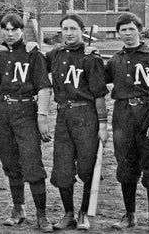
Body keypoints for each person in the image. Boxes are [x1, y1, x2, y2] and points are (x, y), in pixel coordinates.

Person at [104, 12, 149, 234]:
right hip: (123, 116)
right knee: (125, 166)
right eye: (123, 30)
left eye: (131, 29)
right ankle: (129, 215)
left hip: (148, 113)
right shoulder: (115, 60)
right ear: (119, 33)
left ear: (139, 30)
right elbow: (99, 79)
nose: (127, 33)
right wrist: (91, 57)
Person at [46, 13, 108, 231]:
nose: (69, 33)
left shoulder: (91, 57)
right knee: (62, 167)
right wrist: (32, 46)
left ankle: (83, 212)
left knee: (87, 166)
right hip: (63, 116)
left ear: (82, 30)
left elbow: (99, 94)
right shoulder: (55, 54)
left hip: (86, 116)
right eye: (65, 29)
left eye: (73, 29)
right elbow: (34, 64)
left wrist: (102, 124)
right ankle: (68, 213)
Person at [0, 13, 53, 232]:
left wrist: (42, 117)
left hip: (26, 110)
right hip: (4, 111)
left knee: (32, 162)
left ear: (22, 30)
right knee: (10, 162)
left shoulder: (33, 55)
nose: (9, 34)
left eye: (14, 30)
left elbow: (44, 87)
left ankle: (42, 215)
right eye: (5, 30)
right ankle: (18, 209)